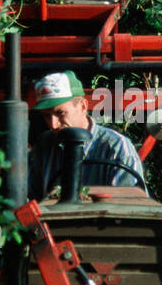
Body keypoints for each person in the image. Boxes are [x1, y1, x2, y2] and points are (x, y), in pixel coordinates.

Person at [28, 70, 145, 199]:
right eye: (46, 116)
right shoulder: (43, 146)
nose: (53, 125)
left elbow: (130, 207)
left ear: (83, 106)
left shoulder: (117, 148)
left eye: (60, 113)